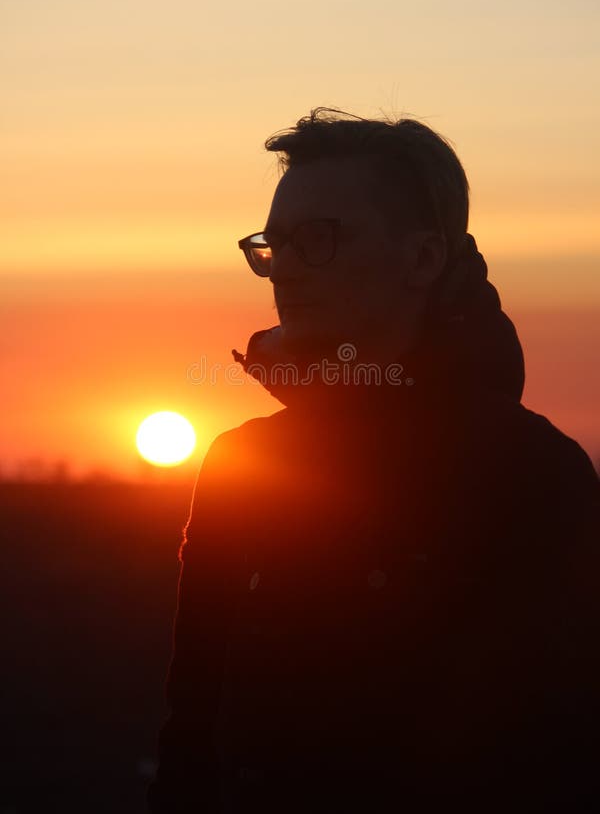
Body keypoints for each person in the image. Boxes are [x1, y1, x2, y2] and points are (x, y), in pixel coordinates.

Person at [146, 108, 600, 813]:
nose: (285, 269)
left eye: (319, 239)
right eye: (275, 243)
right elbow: (192, 739)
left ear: (422, 259)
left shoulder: (533, 476)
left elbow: (562, 758)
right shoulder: (245, 465)